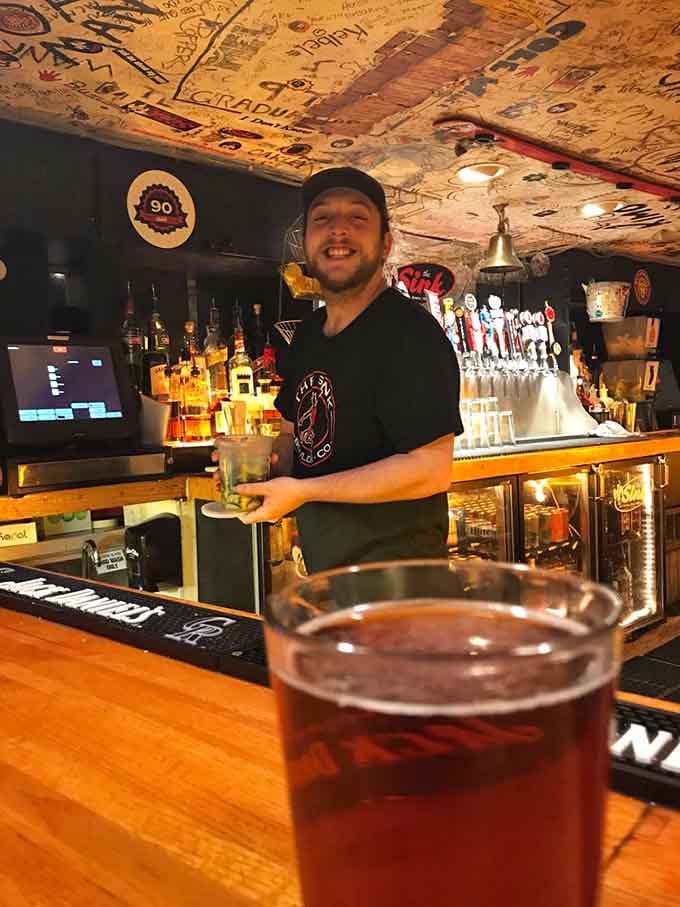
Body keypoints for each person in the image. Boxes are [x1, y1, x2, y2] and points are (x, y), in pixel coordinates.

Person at [227, 166, 464, 573]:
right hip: (329, 576)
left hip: (399, 585)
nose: (338, 230)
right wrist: (251, 470)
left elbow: (431, 470)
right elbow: (293, 439)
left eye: (357, 217)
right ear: (306, 244)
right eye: (322, 218)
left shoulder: (410, 333)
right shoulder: (307, 337)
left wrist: (304, 491)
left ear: (386, 243)